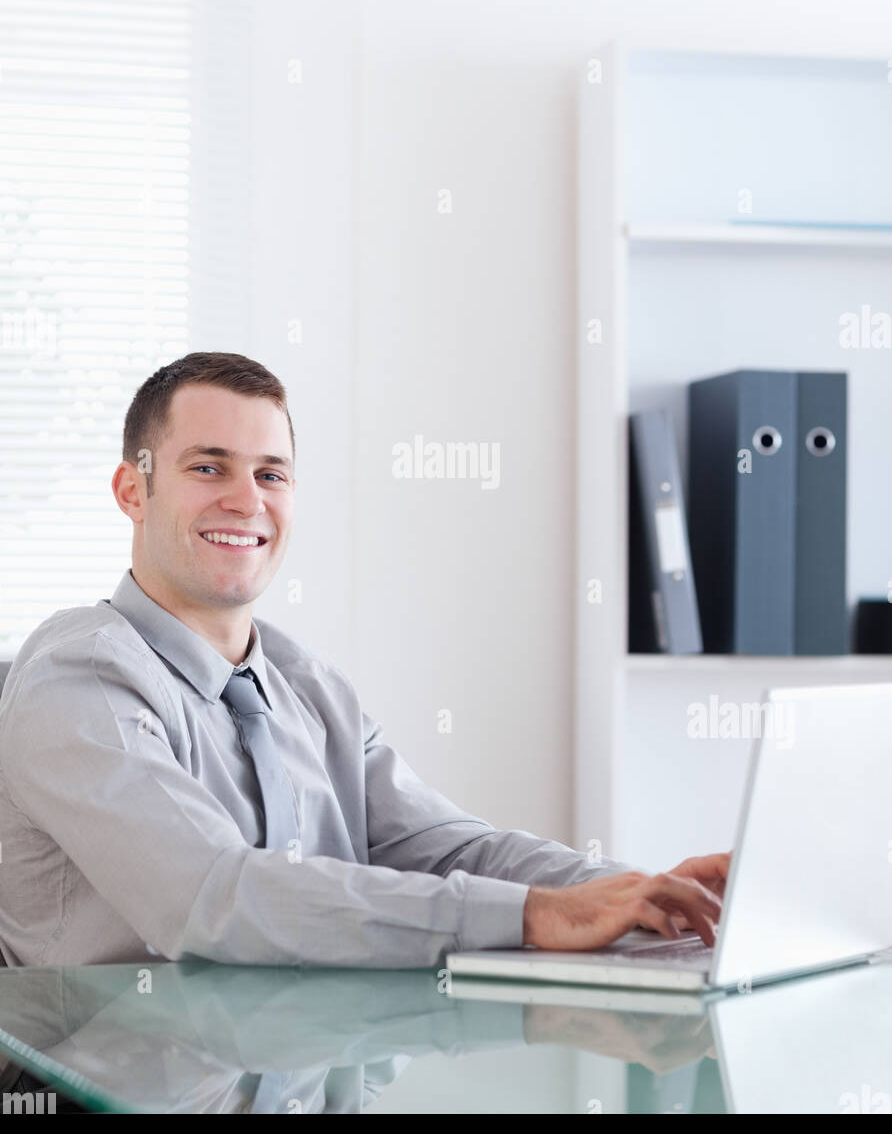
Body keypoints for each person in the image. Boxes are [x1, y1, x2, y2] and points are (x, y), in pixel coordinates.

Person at [0, 352, 727, 970]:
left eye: (271, 475)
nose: (246, 500)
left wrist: (635, 893)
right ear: (134, 490)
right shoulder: (80, 677)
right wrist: (535, 917)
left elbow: (445, 850)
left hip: (294, 1072)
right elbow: (211, 897)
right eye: (209, 467)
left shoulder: (306, 684)